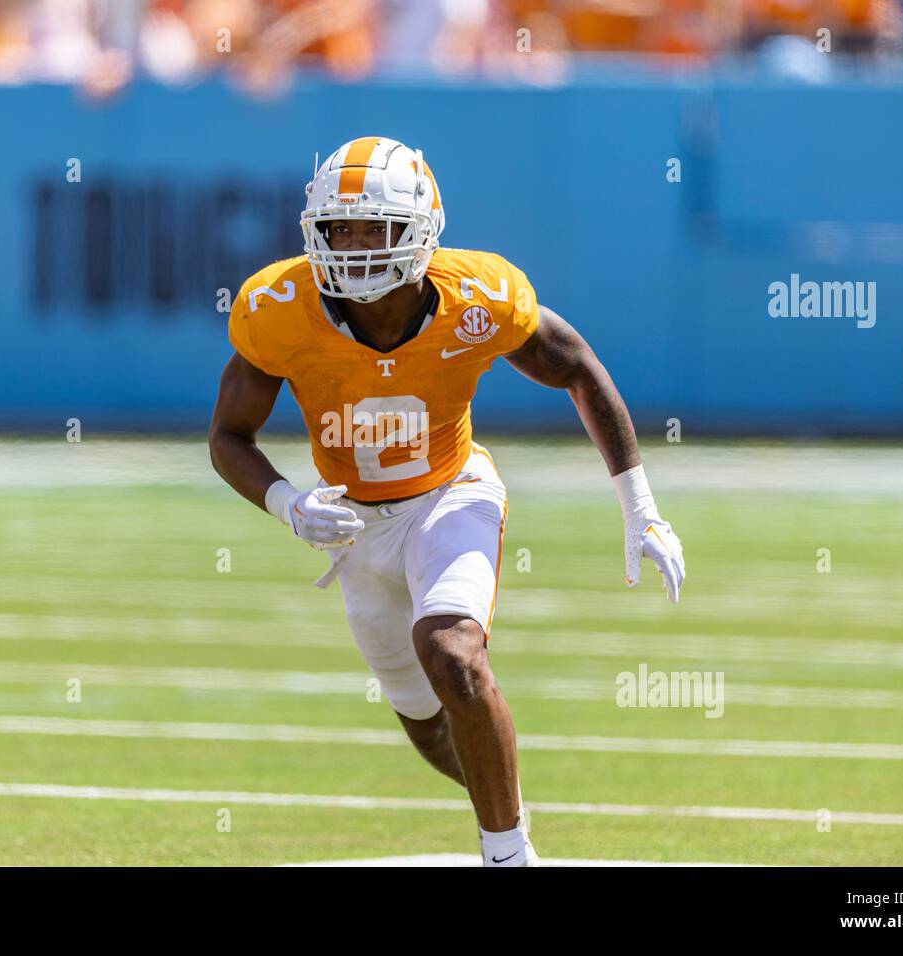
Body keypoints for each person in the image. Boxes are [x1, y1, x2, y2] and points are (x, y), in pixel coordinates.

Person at [208, 136, 686, 866]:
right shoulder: (279, 308)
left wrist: (640, 504)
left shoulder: (478, 295)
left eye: (375, 227)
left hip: (449, 493)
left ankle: (507, 853)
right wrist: (288, 505)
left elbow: (578, 368)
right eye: (341, 228)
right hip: (352, 528)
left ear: (421, 230)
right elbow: (228, 436)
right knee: (429, 726)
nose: (356, 245)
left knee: (453, 654)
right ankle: (508, 804)